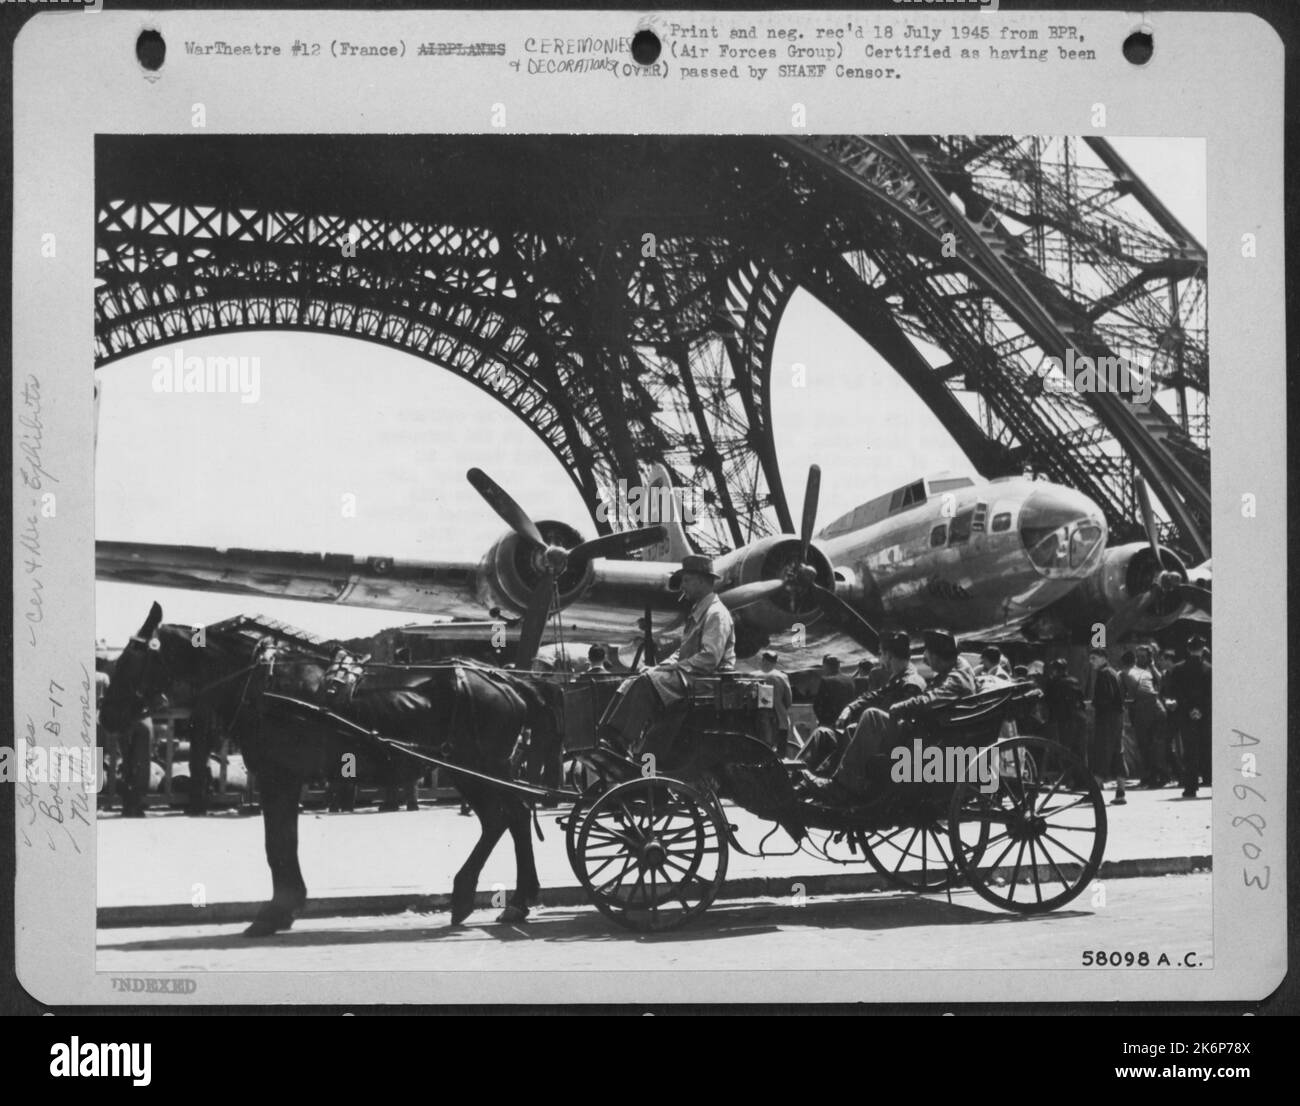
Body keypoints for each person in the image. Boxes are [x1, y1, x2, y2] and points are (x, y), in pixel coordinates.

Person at [803, 629, 974, 800]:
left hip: (923, 741)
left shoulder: (955, 677)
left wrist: (900, 706)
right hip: (925, 735)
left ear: (937, 657)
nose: (924, 658)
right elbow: (879, 694)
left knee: (872, 716)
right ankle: (839, 781)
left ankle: (844, 784)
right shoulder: (955, 670)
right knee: (853, 728)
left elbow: (931, 698)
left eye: (927, 653)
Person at [596, 554, 735, 758]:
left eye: (686, 580)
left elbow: (710, 657)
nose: (682, 586)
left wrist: (673, 669)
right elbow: (683, 651)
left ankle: (621, 739)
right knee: (637, 678)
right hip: (692, 676)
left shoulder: (716, 614)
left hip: (706, 681)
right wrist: (661, 667)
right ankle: (606, 734)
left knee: (647, 682)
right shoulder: (701, 611)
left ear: (703, 581)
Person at [801, 632, 927, 773]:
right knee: (822, 734)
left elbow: (904, 731)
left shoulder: (911, 684)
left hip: (885, 749)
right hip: (874, 742)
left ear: (889, 656)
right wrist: (849, 708)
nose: (880, 660)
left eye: (881, 654)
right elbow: (874, 695)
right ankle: (794, 774)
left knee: (866, 718)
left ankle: (835, 780)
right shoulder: (897, 680)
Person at [1165, 634, 1212, 797]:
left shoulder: (1178, 669)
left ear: (1187, 649)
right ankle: (1209, 779)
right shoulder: (1209, 669)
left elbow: (1176, 693)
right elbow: (1210, 694)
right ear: (1202, 649)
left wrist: (1190, 709)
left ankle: (1191, 787)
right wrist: (1201, 710)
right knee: (1206, 748)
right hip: (1204, 716)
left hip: (1186, 715)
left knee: (1190, 751)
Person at [1123, 644, 1170, 788]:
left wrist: (1152, 665)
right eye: (1138, 656)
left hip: (1154, 711)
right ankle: (1148, 775)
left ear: (1149, 657)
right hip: (1140, 712)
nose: (1140, 659)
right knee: (1143, 746)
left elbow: (1161, 681)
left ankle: (1160, 775)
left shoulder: (1152, 670)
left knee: (1156, 746)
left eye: (1143, 656)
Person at [1088, 648, 1127, 805]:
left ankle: (1095, 792)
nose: (1091, 662)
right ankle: (1120, 791)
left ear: (1103, 658)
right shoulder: (1114, 673)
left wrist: (1094, 704)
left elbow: (1106, 698)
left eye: (1094, 658)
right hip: (1117, 717)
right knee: (1117, 751)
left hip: (1107, 718)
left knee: (1102, 752)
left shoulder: (1104, 674)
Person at [757, 649, 793, 757]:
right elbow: (789, 699)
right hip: (780, 718)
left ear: (763, 660)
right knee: (780, 753)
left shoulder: (753, 675)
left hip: (758, 719)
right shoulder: (782, 676)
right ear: (775, 663)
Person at [811, 655, 856, 727]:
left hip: (830, 723)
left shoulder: (826, 681)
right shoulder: (849, 680)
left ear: (826, 666)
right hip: (847, 721)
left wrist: (822, 721)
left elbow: (817, 704)